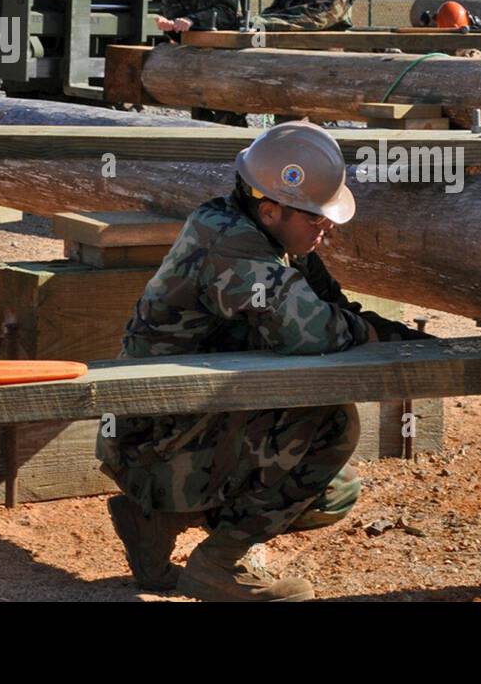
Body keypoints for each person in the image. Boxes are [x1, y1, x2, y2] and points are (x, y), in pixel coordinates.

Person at [97, 121, 425, 601]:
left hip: (178, 425)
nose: (327, 227)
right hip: (154, 438)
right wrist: (368, 332)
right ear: (271, 210)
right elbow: (309, 330)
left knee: (335, 491)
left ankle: (157, 520)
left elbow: (335, 308)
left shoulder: (269, 238)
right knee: (331, 424)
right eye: (315, 218)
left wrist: (386, 332)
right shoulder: (231, 245)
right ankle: (217, 565)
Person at [157, 0, 246, 125]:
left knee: (228, 115)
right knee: (199, 117)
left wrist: (193, 20)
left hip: (224, 57)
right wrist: (171, 28)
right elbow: (175, 23)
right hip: (194, 59)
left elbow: (228, 13)